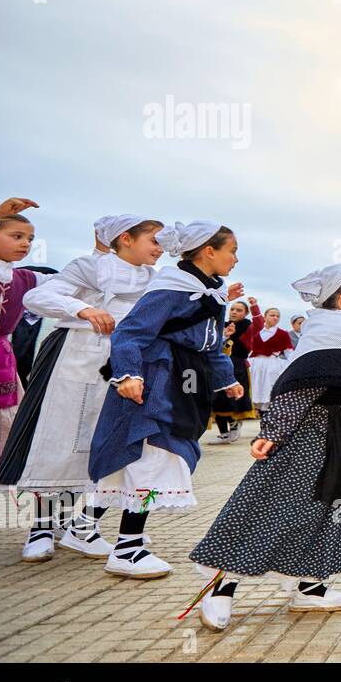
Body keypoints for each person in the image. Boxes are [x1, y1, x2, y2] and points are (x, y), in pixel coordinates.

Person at [190, 265, 341, 631]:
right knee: (273, 504)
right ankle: (223, 584)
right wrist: (274, 432)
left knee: (333, 507)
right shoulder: (330, 334)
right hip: (309, 434)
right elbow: (298, 386)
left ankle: (311, 585)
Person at [0, 216, 162, 564]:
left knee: (102, 444)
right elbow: (39, 296)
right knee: (60, 439)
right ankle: (40, 528)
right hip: (74, 358)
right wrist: (82, 308)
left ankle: (80, 527)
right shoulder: (90, 267)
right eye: (154, 241)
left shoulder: (155, 279)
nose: (161, 248)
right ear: (126, 239)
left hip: (125, 364)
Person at [88, 221, 245, 579]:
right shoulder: (171, 288)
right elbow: (130, 332)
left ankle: (84, 526)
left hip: (185, 382)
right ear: (209, 251)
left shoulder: (211, 293)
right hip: (158, 381)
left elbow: (211, 345)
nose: (235, 258)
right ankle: (128, 548)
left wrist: (227, 380)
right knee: (152, 457)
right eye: (231, 250)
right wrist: (128, 374)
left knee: (146, 459)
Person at [0, 199, 49, 478]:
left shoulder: (26, 278)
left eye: (30, 239)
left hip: (1, 360)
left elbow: (76, 281)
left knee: (4, 421)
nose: (26, 244)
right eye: (16, 236)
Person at [211, 301, 254, 443]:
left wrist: (255, 307)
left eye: (239, 310)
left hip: (237, 366)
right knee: (217, 399)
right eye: (233, 309)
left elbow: (259, 325)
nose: (234, 312)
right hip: (218, 364)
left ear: (246, 313)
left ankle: (234, 425)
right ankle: (223, 433)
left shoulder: (248, 327)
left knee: (232, 399)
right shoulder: (221, 325)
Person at [241, 299, 293, 412]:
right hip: (257, 366)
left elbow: (289, 352)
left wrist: (292, 366)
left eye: (278, 316)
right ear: (265, 317)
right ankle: (261, 418)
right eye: (272, 315)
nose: (275, 318)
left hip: (273, 365)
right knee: (256, 391)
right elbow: (250, 350)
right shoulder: (257, 333)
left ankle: (268, 423)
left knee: (270, 393)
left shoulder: (283, 334)